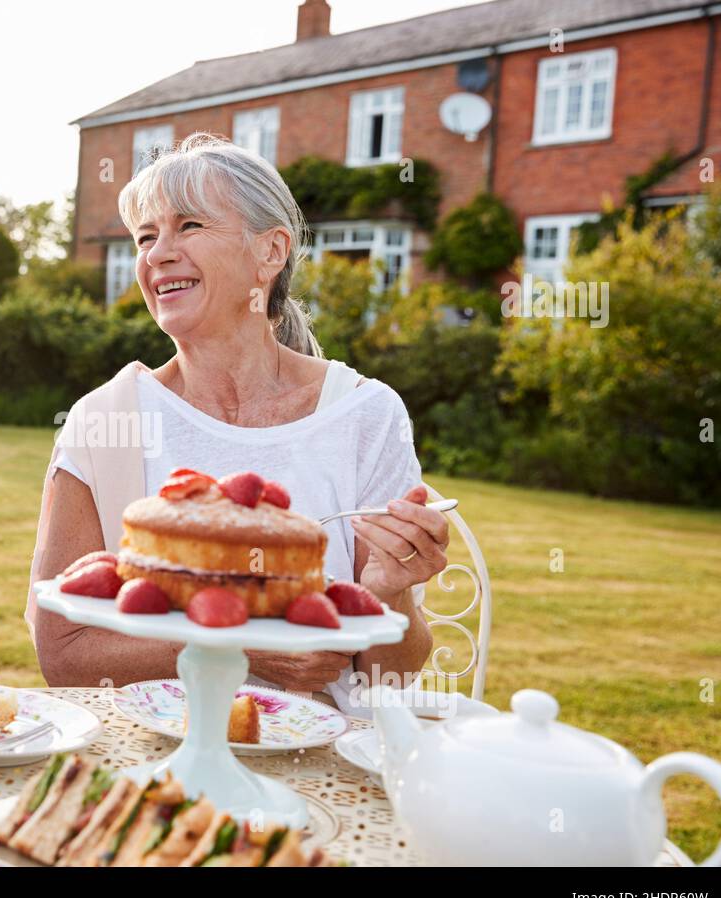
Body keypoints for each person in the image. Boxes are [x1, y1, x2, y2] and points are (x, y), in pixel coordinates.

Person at [28, 133, 448, 711]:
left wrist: (389, 595)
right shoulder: (105, 419)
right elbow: (64, 653)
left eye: (190, 226)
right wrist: (246, 650)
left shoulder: (365, 414)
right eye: (147, 236)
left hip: (315, 757)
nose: (156, 254)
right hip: (154, 753)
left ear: (271, 251)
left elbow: (387, 683)